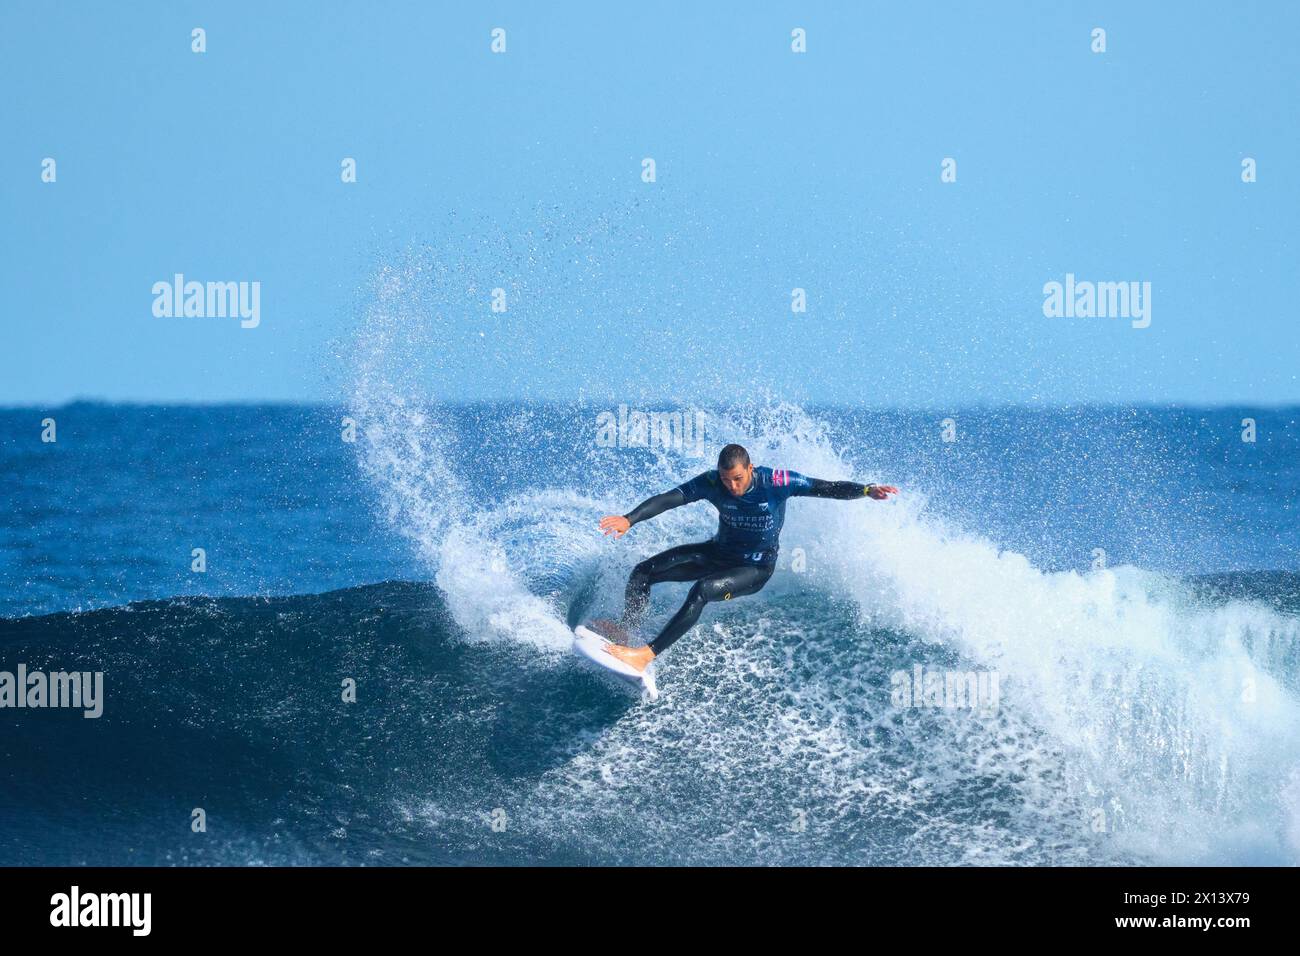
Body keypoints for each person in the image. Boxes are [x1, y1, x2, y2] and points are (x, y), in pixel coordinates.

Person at [597, 443, 898, 671]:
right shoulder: (713, 482)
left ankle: (646, 655)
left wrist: (866, 490)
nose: (732, 486)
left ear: (751, 469)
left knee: (702, 591)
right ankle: (627, 627)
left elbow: (826, 487)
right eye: (727, 480)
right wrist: (629, 518)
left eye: (738, 479)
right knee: (643, 572)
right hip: (718, 553)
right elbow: (670, 498)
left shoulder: (777, 482)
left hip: (754, 568)